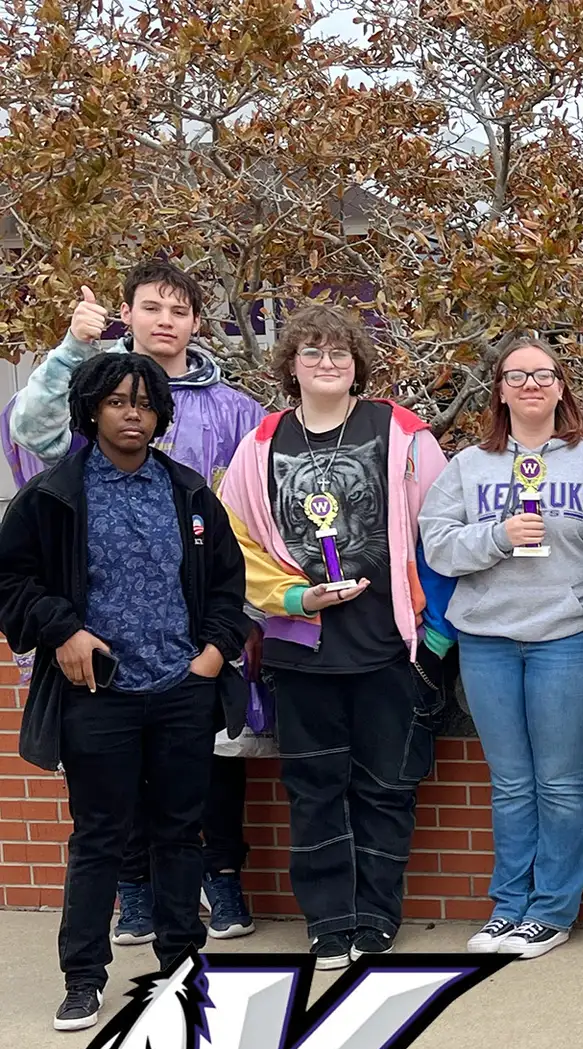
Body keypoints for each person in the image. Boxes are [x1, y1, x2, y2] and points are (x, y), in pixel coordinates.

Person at [3, 260, 267, 945]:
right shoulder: (87, 391)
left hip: (196, 635)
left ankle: (220, 879)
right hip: (100, 649)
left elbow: (254, 513)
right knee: (110, 794)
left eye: (178, 310)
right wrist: (71, 346)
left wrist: (225, 637)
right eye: (150, 307)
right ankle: (133, 894)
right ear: (128, 313)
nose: (164, 320)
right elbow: (30, 428)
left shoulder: (233, 406)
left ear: (196, 323)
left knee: (208, 771)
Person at [217, 304, 455, 970]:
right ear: (291, 364)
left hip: (387, 645)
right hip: (300, 649)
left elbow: (444, 534)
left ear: (358, 366)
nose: (327, 363)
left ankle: (376, 918)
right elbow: (234, 540)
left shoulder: (401, 432)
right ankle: (329, 923)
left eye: (340, 353)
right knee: (314, 790)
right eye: (313, 352)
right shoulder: (262, 443)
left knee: (385, 789)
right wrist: (293, 596)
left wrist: (434, 637)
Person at [421, 336, 583, 961]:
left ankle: (551, 910)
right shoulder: (468, 466)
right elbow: (438, 546)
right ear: (499, 388)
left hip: (568, 636)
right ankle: (508, 906)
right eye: (517, 375)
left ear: (561, 386)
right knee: (508, 783)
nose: (531, 384)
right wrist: (497, 536)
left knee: (558, 782)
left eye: (544, 374)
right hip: (488, 641)